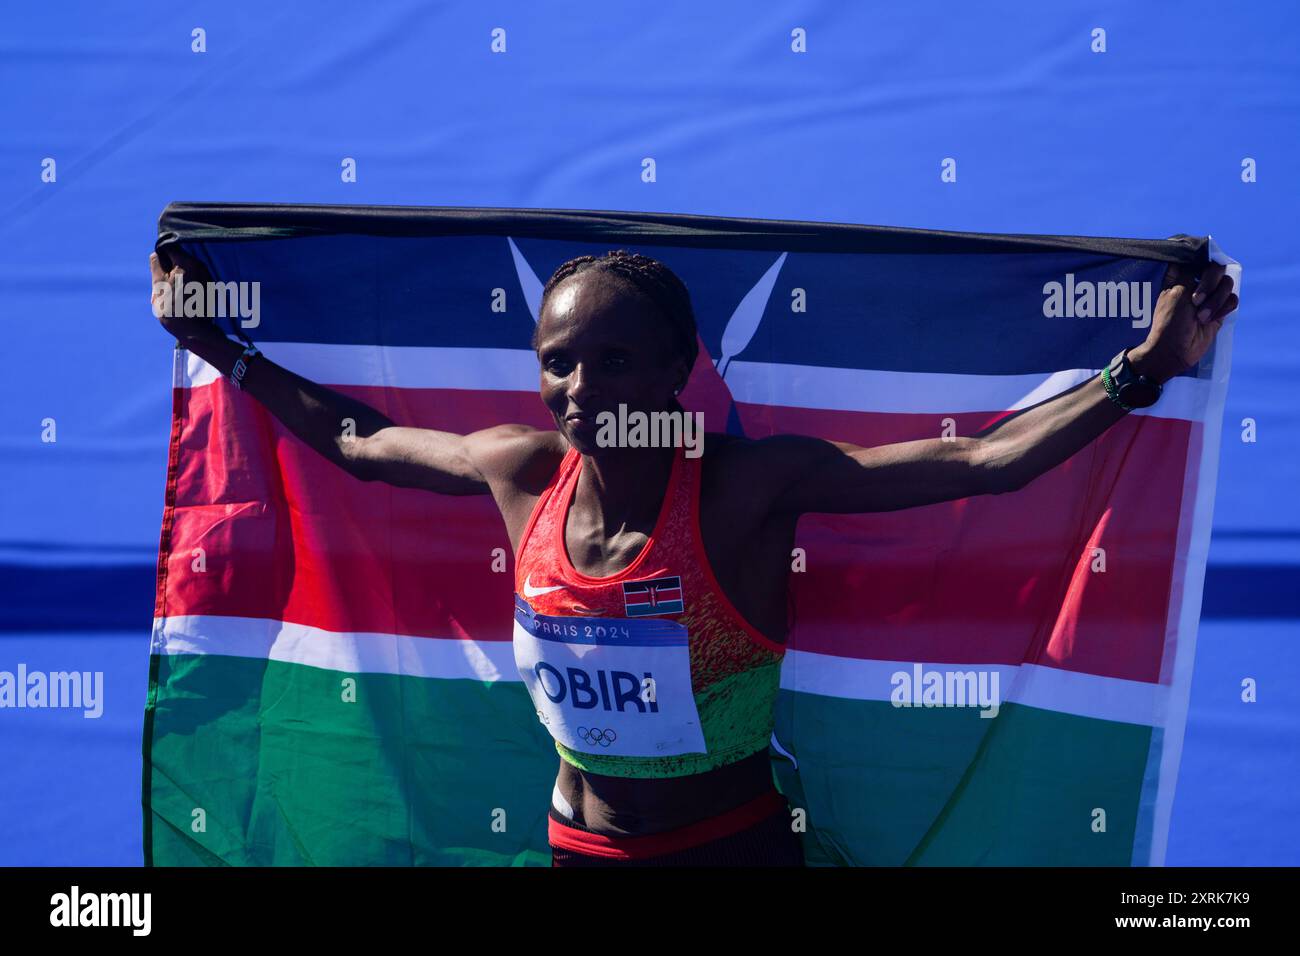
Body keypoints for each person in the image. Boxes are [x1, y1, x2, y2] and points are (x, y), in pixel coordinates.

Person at [150, 245, 1237, 867]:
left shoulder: (742, 487)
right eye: (559, 363)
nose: (581, 389)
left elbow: (988, 463)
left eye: (613, 360)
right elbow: (356, 440)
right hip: (580, 846)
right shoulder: (517, 468)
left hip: (730, 852)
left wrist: (1141, 368)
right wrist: (218, 342)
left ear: (677, 367)